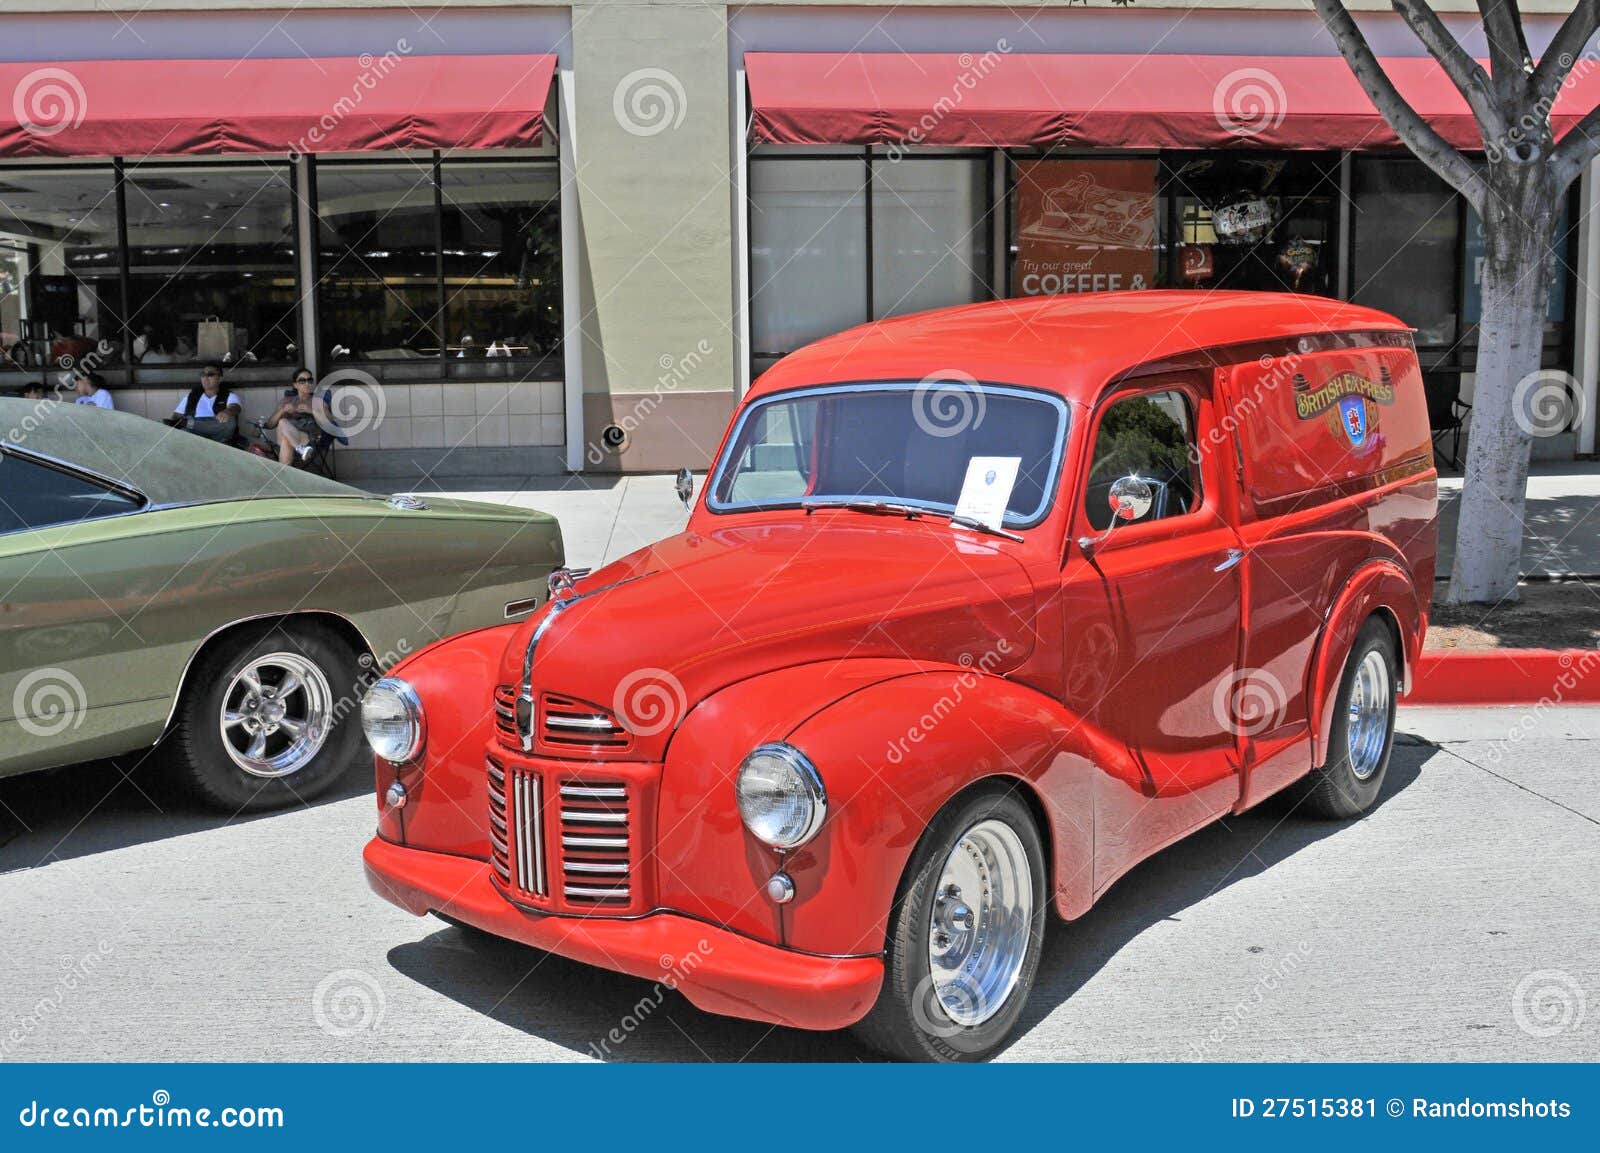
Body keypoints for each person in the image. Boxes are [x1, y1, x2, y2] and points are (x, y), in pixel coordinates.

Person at [262, 367, 328, 466]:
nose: (307, 383)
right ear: (295, 385)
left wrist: (311, 410)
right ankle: (300, 449)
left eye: (309, 380)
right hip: (298, 443)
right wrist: (282, 410)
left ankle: (285, 472)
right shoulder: (286, 401)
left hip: (308, 440)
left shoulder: (318, 401)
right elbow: (269, 425)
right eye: (302, 381)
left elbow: (329, 423)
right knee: (283, 422)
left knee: (286, 439)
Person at [166, 363, 242, 443]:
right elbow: (176, 417)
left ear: (220, 378)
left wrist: (227, 412)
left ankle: (190, 423)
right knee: (183, 430)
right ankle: (190, 424)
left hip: (218, 436)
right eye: (203, 375)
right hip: (195, 435)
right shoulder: (191, 396)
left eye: (210, 375)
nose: (205, 378)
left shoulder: (229, 395)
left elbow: (235, 407)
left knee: (230, 421)